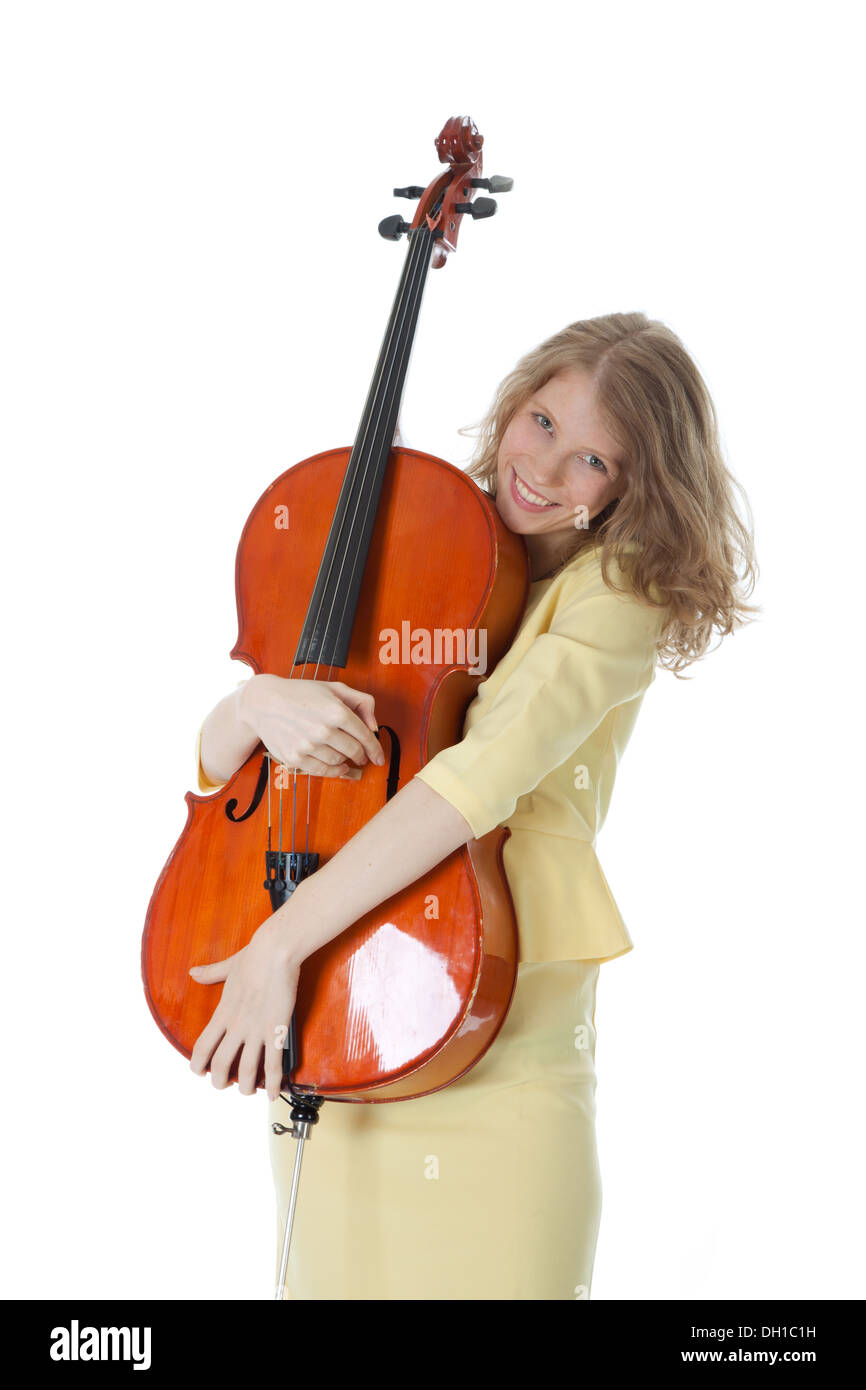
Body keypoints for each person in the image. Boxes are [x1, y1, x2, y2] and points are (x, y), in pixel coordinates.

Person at [189, 311, 758, 1300]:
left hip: (491, 1023)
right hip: (342, 1009)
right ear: (512, 399)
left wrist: (278, 943)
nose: (542, 466)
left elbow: (469, 785)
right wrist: (253, 703)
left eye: (592, 459)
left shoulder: (614, 596)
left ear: (631, 488)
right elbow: (223, 779)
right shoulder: (421, 539)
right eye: (539, 421)